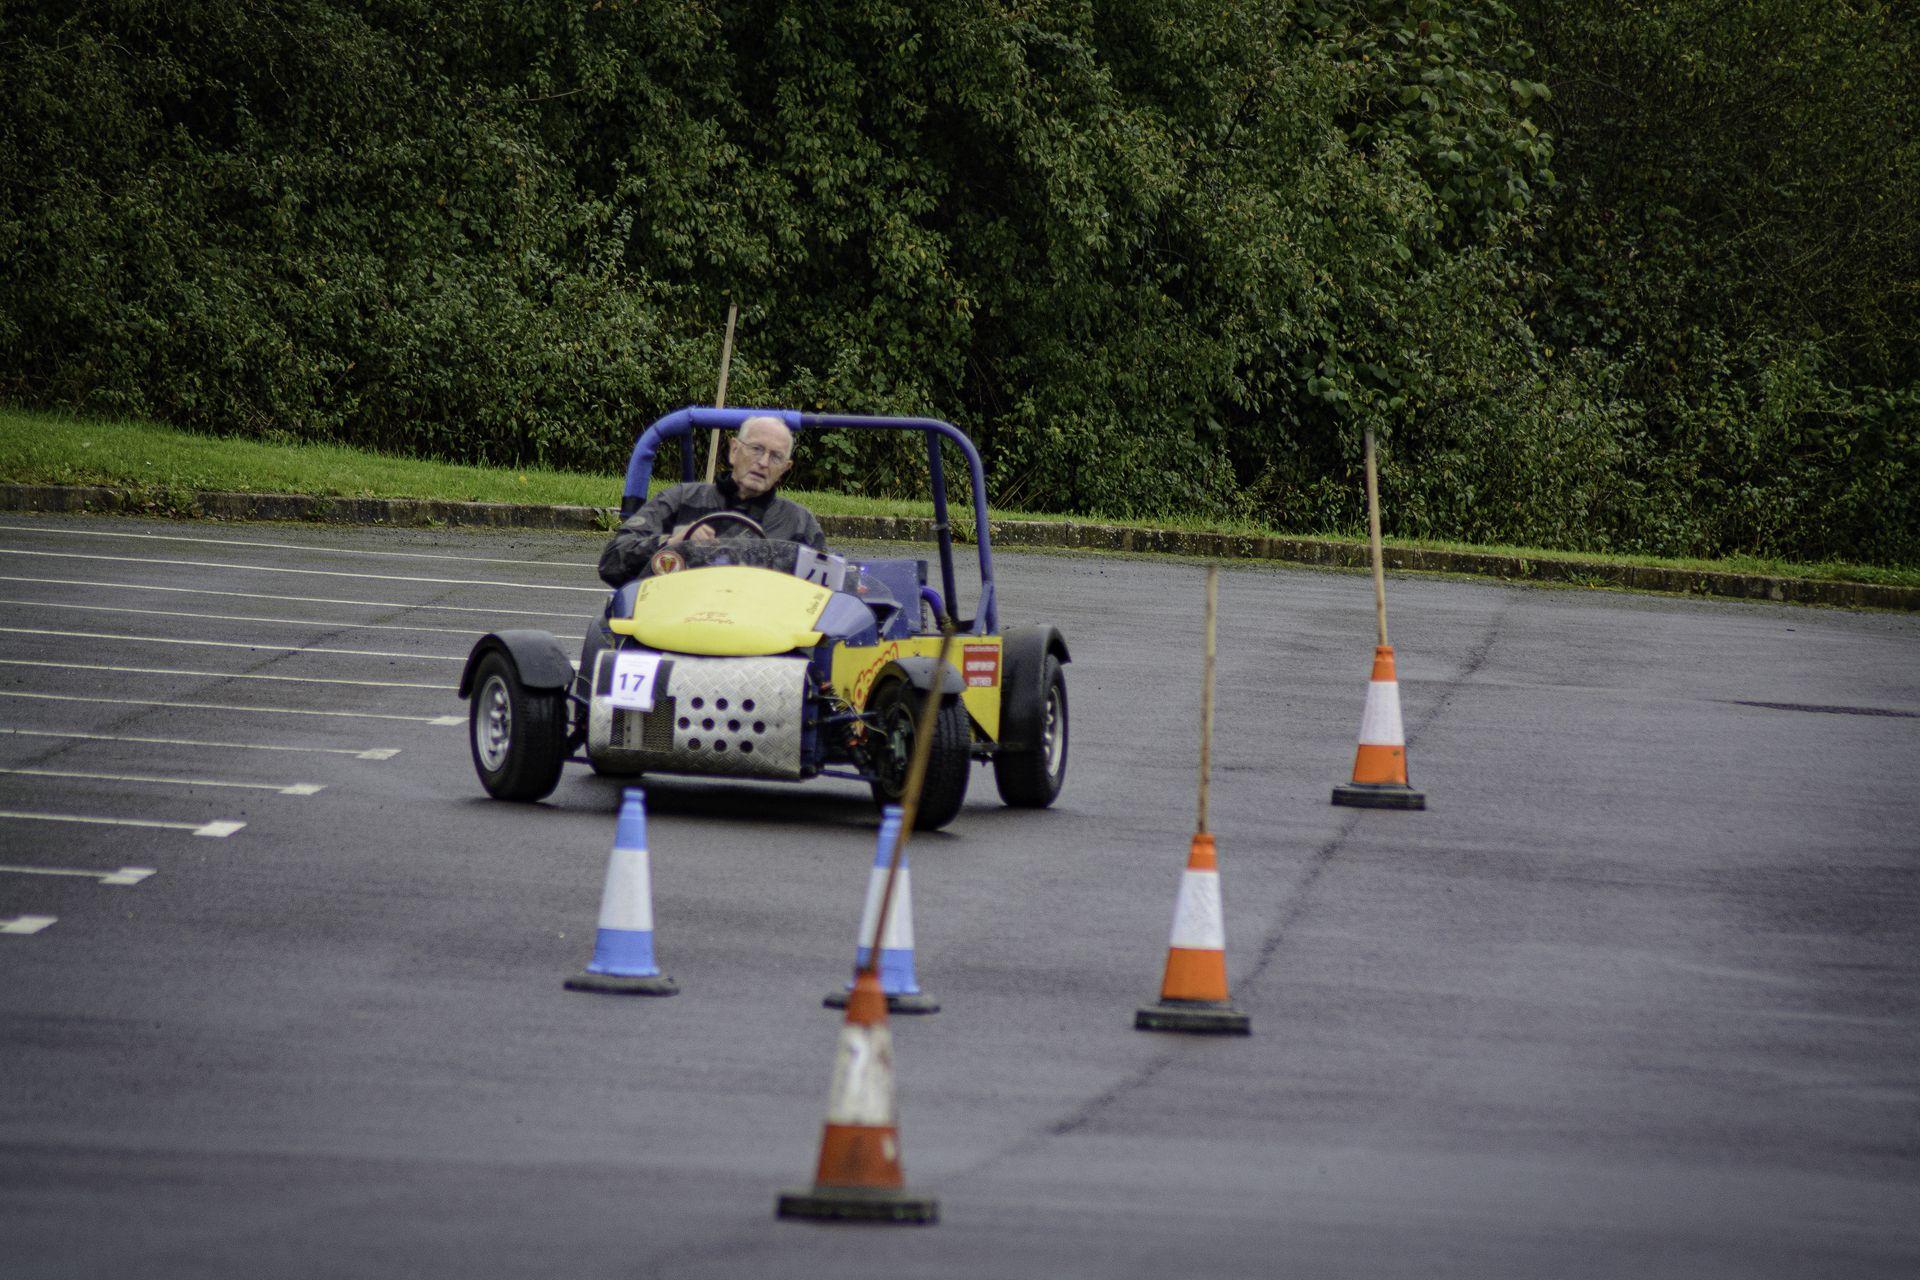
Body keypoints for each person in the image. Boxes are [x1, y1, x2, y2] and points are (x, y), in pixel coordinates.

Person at [597, 414, 825, 587]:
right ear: (734, 450)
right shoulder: (679, 500)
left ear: (785, 468)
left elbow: (826, 592)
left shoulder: (798, 524)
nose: (763, 462)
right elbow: (612, 561)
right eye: (756, 449)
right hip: (675, 626)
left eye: (775, 456)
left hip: (762, 636)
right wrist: (674, 542)